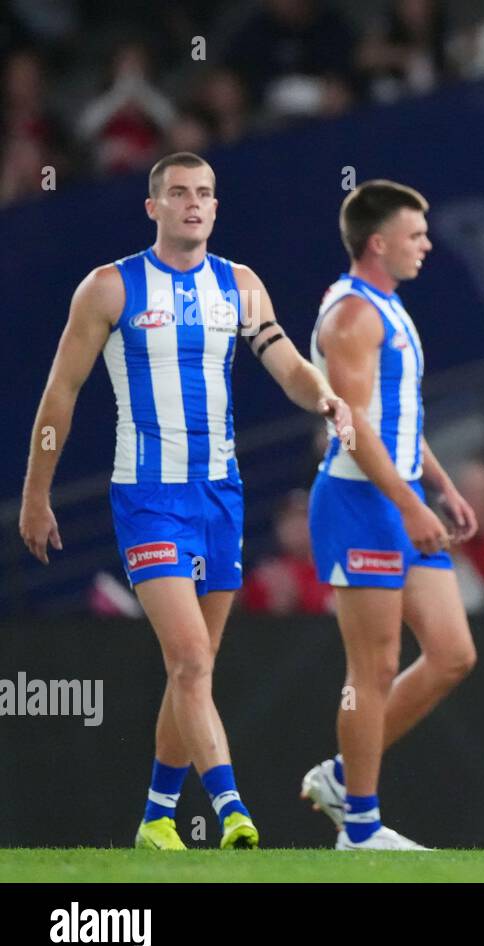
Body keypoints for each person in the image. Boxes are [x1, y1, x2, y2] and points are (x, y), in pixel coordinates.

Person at [19, 152, 350, 851]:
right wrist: (36, 496)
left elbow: (283, 359)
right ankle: (233, 809)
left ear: (216, 208)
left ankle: (156, 818)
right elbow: (61, 393)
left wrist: (322, 395)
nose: (193, 203)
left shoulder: (241, 285)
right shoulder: (110, 288)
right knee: (192, 658)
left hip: (220, 497)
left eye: (204, 193)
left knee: (192, 667)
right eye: (178, 193)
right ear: (154, 207)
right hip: (148, 496)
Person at [297, 179, 478, 851]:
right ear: (378, 243)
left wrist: (442, 485)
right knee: (371, 669)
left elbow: (397, 419)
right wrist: (408, 505)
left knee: (454, 654)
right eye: (416, 234)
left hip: (398, 495)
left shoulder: (388, 308)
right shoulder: (351, 316)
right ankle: (361, 830)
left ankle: (344, 776)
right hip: (359, 501)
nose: (427, 243)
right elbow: (350, 427)